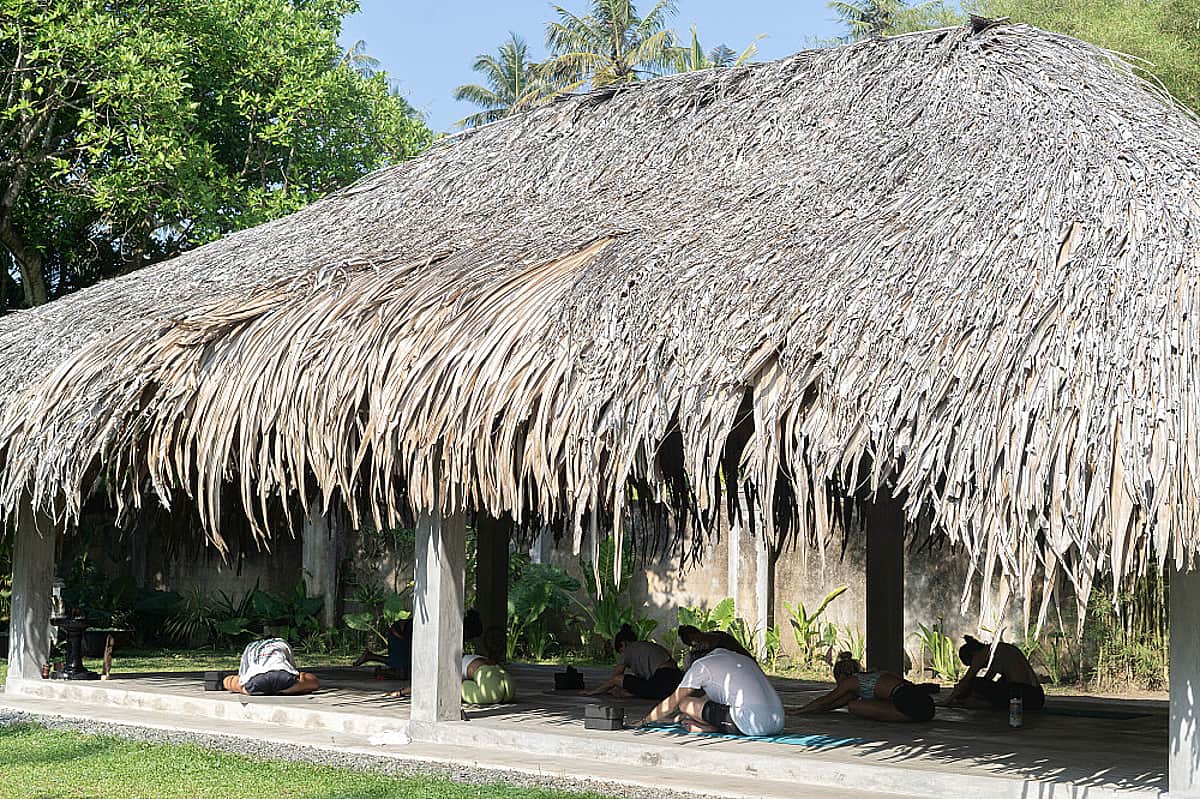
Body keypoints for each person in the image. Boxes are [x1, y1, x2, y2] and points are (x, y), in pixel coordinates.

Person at [636, 646, 785, 736]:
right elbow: (706, 702)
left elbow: (673, 701)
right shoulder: (738, 659)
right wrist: (674, 719)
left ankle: (710, 728)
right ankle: (709, 727)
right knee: (695, 708)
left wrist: (645, 721)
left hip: (752, 725)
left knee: (685, 703)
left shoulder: (700, 666)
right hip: (778, 722)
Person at [797, 652, 936, 722]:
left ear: (841, 676)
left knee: (854, 707)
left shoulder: (851, 681)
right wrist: (813, 710)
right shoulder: (868, 678)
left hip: (909, 702)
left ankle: (913, 717)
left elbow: (826, 700)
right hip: (925, 704)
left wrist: (799, 711)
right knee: (853, 703)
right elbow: (834, 704)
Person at [354, 608, 484, 679]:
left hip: (409, 636)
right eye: (470, 636)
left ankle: (370, 656)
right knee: (404, 673)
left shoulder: (455, 631)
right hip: (399, 634)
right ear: (466, 630)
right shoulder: (449, 628)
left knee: (405, 665)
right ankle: (379, 670)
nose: (469, 639)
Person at [946, 634, 1045, 711]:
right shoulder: (996, 650)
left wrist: (949, 700)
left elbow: (966, 680)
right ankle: (982, 702)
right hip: (1038, 697)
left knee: (975, 682)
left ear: (973, 654)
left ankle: (985, 703)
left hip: (1024, 696)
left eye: (971, 664)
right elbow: (988, 679)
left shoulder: (981, 655)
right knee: (990, 682)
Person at [584, 623, 683, 700]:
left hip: (662, 680)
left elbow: (615, 678)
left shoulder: (628, 650)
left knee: (619, 680)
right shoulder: (646, 646)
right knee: (640, 687)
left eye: (620, 652)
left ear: (623, 644)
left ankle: (629, 694)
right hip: (677, 681)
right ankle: (630, 693)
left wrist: (595, 691)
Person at [224, 638, 320, 696]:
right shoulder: (282, 642)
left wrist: (239, 687)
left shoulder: (250, 646)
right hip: (282, 677)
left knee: (229, 681)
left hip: (256, 681)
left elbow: (242, 675)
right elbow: (292, 668)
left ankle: (258, 690)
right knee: (310, 680)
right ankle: (285, 690)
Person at [678, 624, 755, 667]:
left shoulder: (723, 639)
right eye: (693, 644)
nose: (697, 643)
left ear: (698, 633)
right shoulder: (697, 653)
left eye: (697, 639)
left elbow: (742, 653)